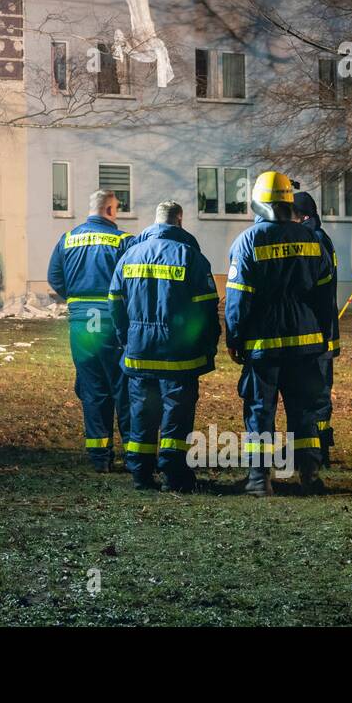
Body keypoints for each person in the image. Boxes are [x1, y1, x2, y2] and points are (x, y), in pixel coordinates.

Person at [225, 172, 335, 496]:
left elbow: (238, 298)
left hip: (264, 343)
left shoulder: (248, 242)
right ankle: (310, 475)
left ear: (259, 203)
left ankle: (260, 480)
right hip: (306, 342)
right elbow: (326, 295)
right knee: (305, 412)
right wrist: (322, 334)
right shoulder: (313, 240)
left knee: (261, 410)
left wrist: (234, 337)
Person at [109, 201, 220, 492]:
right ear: (179, 221)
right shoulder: (191, 257)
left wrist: (126, 337)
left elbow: (114, 303)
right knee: (176, 414)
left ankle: (141, 474)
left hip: (139, 352)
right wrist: (206, 344)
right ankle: (174, 474)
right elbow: (207, 309)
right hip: (178, 356)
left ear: (155, 222)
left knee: (142, 413)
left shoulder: (129, 255)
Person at [47, 190, 134, 472]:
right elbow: (132, 282)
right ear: (110, 209)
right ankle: (134, 454)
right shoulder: (123, 241)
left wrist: (76, 300)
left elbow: (55, 278)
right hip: (113, 323)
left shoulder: (68, 239)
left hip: (81, 325)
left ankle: (100, 458)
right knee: (123, 388)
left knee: (92, 388)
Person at [291, 186, 340, 467]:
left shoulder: (313, 240)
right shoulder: (324, 238)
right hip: (325, 331)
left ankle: (317, 454)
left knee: (315, 396)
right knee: (318, 394)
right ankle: (318, 452)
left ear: (302, 216)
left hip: (316, 333)